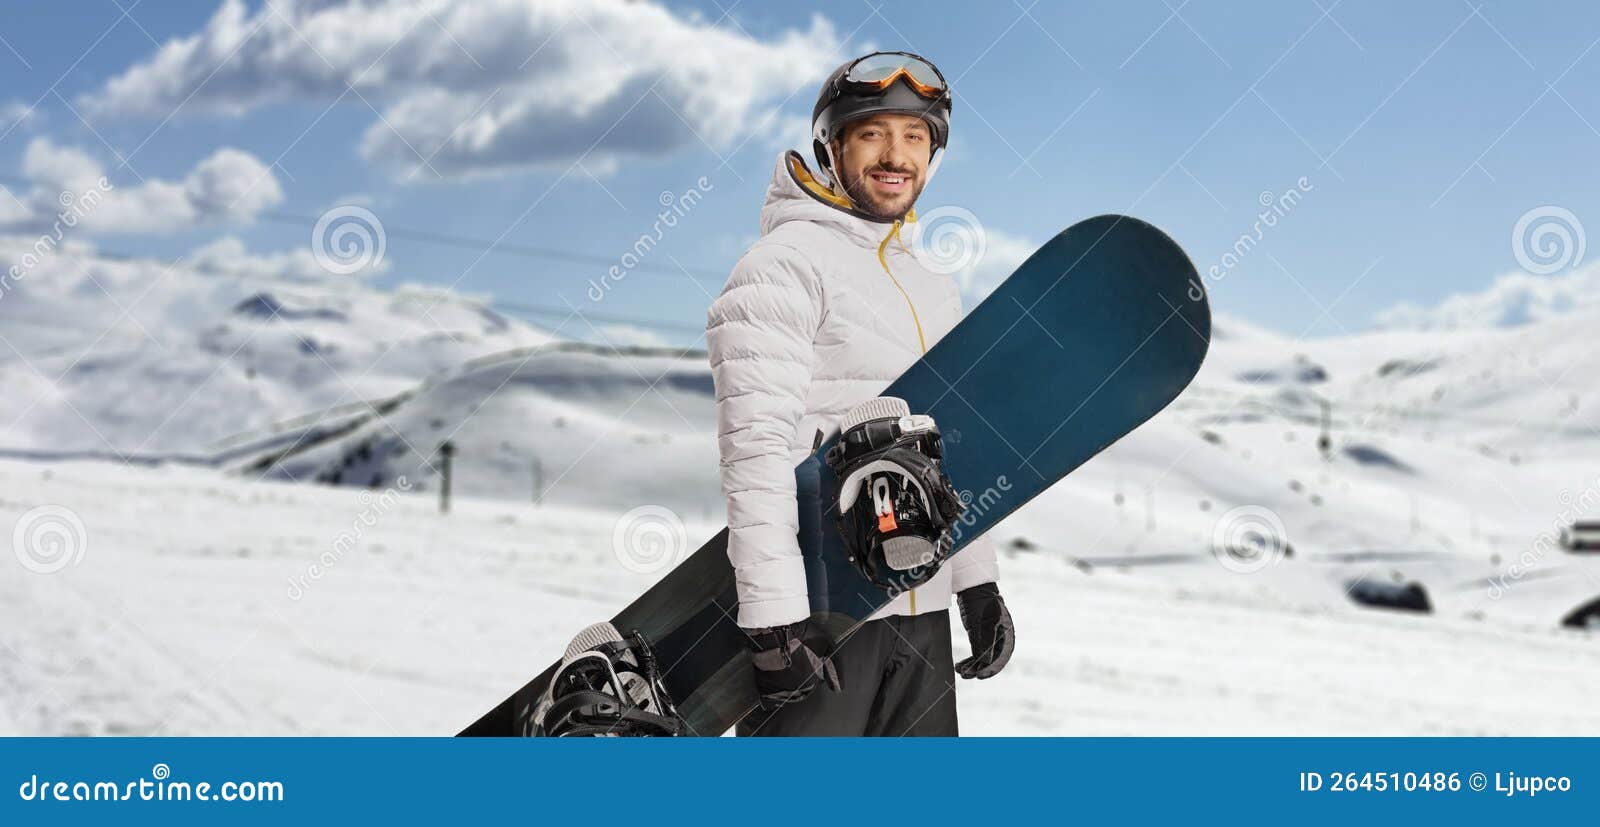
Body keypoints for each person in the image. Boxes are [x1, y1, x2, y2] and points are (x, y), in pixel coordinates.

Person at [705, 51, 1015, 736]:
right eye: (872, 132)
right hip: (821, 622)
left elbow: (950, 445)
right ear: (832, 145)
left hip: (921, 619)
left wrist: (975, 583)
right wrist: (772, 621)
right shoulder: (783, 265)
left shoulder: (932, 282)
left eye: (915, 136)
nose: (895, 155)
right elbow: (755, 451)